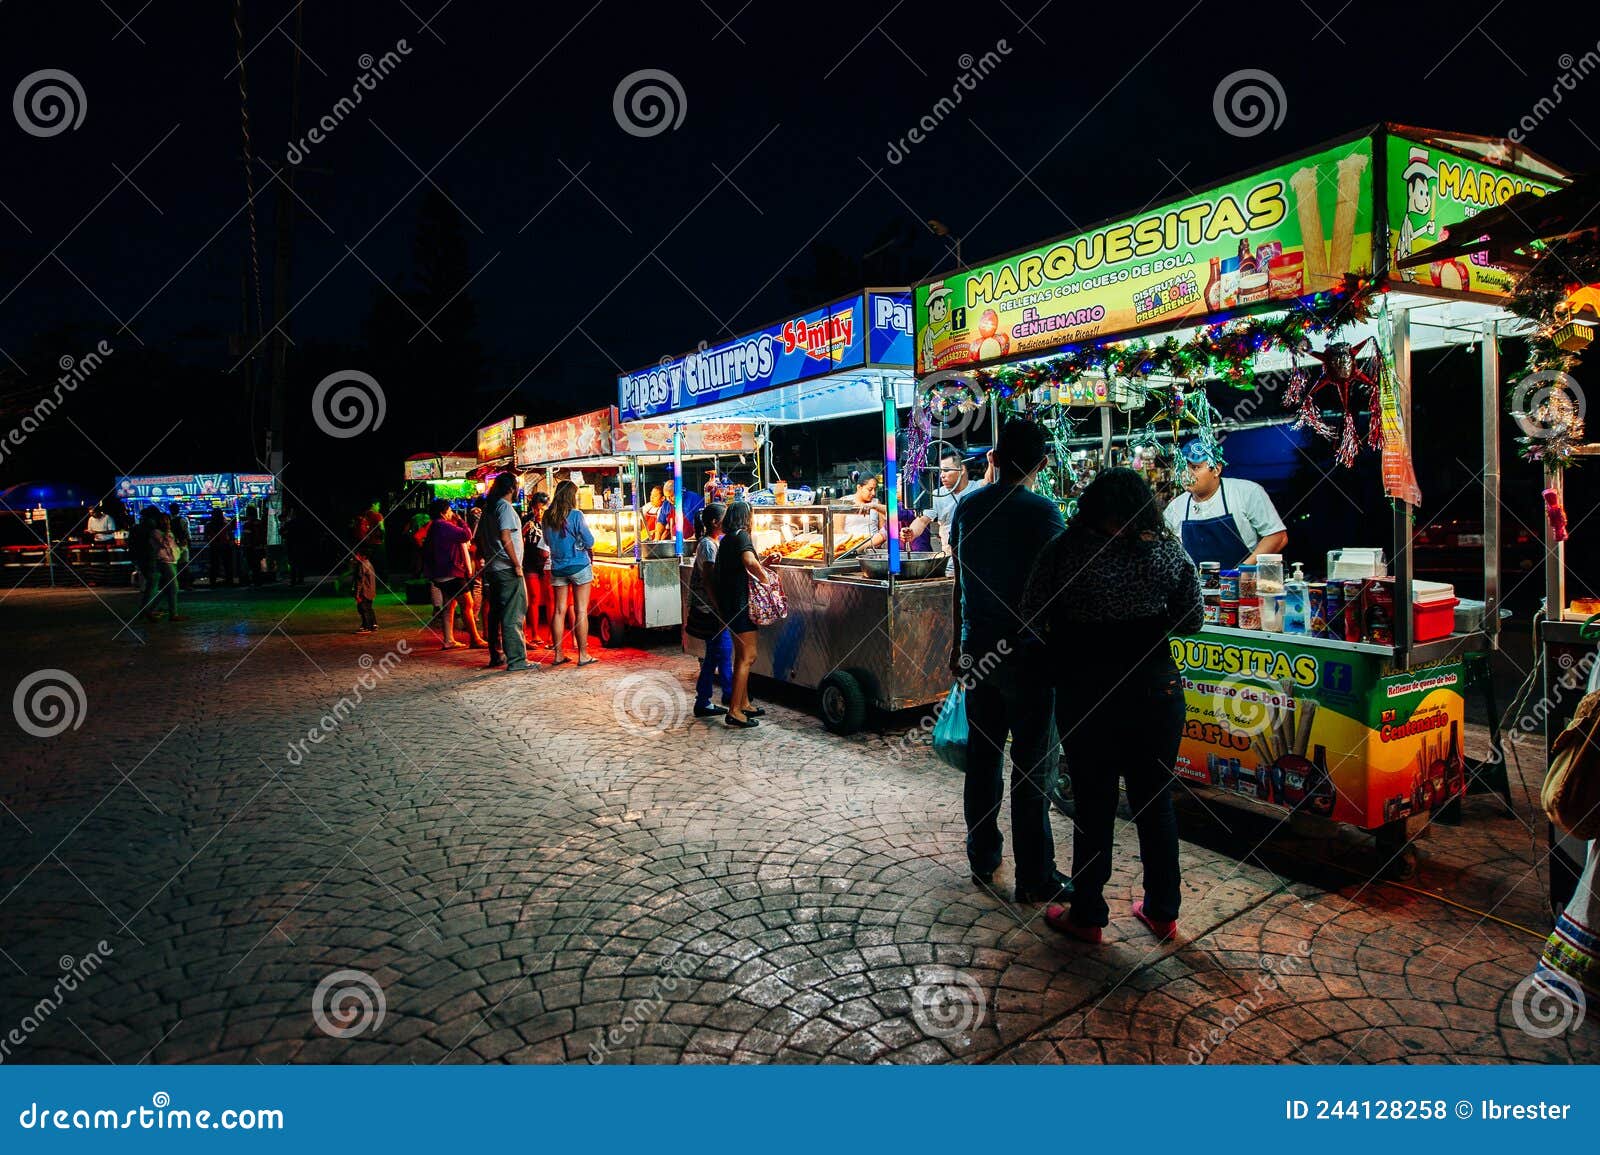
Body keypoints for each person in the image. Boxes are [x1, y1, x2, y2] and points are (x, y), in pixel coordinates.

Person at [1022, 468, 1203, 944]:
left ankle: (1088, 914)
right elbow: (1191, 621)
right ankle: (1163, 911)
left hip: (1089, 691)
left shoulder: (1066, 550)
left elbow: (1032, 612)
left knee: (1095, 803)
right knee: (1154, 801)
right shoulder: (1165, 550)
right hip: (1154, 690)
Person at [947, 418, 1069, 905]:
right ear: (1041, 463)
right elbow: (1063, 587)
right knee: (1033, 765)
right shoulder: (1043, 513)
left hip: (979, 651)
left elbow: (959, 585)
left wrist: (956, 647)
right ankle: (1035, 874)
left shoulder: (968, 508)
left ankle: (983, 855)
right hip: (1030, 657)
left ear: (993, 459)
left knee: (983, 760)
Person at [1163, 440, 1288, 568]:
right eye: (1183, 468)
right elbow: (1165, 550)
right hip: (1198, 586)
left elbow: (1277, 536)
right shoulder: (1174, 508)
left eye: (1195, 467)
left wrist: (1244, 569)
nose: (1186, 475)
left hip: (1244, 583)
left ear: (1216, 469)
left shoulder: (1247, 492)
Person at [715, 500, 776, 730]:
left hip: (730, 605)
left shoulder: (728, 539)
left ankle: (744, 703)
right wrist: (766, 579)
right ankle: (735, 711)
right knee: (748, 656)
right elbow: (749, 561)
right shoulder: (741, 536)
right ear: (744, 517)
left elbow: (743, 564)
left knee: (741, 655)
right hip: (741, 605)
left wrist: (765, 563)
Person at [476, 474, 534, 672]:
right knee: (513, 614)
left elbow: (481, 539)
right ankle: (517, 660)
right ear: (511, 488)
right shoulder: (505, 507)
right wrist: (516, 564)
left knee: (496, 614)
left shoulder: (489, 509)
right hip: (507, 569)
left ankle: (496, 654)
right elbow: (505, 535)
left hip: (493, 569)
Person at [685, 502, 732, 718]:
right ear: (715, 522)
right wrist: (718, 608)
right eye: (725, 518)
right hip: (707, 609)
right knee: (717, 652)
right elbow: (709, 579)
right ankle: (705, 700)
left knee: (721, 653)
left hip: (710, 607)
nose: (728, 522)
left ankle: (727, 695)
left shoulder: (713, 543)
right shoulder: (708, 545)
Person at [543, 480, 597, 667]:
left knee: (559, 610)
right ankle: (583, 654)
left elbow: (547, 541)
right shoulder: (576, 515)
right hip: (579, 566)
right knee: (581, 610)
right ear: (571, 496)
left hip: (557, 567)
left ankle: (558, 654)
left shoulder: (547, 516)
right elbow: (590, 541)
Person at [903, 448, 994, 553]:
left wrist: (991, 463)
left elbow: (989, 481)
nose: (942, 475)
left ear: (962, 469)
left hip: (978, 558)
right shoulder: (938, 495)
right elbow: (922, 521)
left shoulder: (976, 488)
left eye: (946, 470)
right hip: (950, 561)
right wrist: (911, 532)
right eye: (941, 471)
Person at [421, 500, 475, 649]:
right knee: (467, 603)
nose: (452, 513)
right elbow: (466, 535)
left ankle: (448, 640)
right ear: (443, 513)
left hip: (440, 572)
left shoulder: (435, 527)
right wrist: (461, 521)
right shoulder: (443, 525)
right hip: (450, 572)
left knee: (449, 605)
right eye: (450, 510)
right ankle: (475, 638)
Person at [523, 491, 555, 649]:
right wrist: (525, 529)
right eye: (536, 509)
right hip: (530, 562)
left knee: (551, 598)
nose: (539, 512)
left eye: (542, 508)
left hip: (548, 563)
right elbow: (518, 540)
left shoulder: (550, 522)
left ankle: (552, 635)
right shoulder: (526, 520)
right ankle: (534, 633)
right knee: (534, 598)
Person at [457, 507, 488, 649]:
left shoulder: (474, 522)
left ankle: (474, 618)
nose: (477, 515)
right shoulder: (479, 523)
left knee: (477, 586)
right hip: (476, 558)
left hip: (475, 558)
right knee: (478, 587)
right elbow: (470, 538)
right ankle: (474, 619)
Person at [842, 473, 888, 550]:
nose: (873, 493)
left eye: (875, 489)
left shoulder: (876, 503)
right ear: (859, 487)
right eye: (870, 489)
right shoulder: (844, 501)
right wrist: (851, 546)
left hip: (874, 548)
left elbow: (883, 529)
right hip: (850, 548)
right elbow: (838, 530)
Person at [354, 500, 387, 578]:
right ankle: (386, 584)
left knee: (366, 563)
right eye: (378, 505)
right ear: (373, 505)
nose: (379, 507)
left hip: (365, 542)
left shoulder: (364, 514)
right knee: (382, 564)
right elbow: (382, 528)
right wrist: (383, 538)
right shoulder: (378, 515)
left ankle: (365, 582)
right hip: (377, 542)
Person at [204, 508, 235, 586]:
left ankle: (213, 582)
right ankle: (229, 581)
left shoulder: (209, 524)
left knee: (214, 565)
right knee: (227, 564)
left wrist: (210, 541)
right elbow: (231, 536)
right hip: (225, 546)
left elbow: (206, 537)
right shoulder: (226, 524)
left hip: (214, 546)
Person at [351, 546, 378, 632]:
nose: (355, 556)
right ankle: (373, 624)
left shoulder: (362, 565)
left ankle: (367, 626)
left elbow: (359, 581)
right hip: (370, 591)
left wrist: (357, 594)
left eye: (357, 555)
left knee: (363, 609)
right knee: (369, 608)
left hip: (364, 591)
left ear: (363, 556)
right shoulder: (368, 563)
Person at [167, 503, 194, 589]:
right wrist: (189, 543)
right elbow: (187, 532)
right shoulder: (182, 519)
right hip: (182, 544)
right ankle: (186, 584)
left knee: (174, 566)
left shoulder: (167, 520)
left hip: (171, 545)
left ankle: (176, 584)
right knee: (184, 564)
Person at [241, 505, 267, 585]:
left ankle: (253, 581)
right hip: (259, 547)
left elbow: (246, 537)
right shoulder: (260, 523)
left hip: (250, 547)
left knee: (251, 564)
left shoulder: (248, 524)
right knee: (257, 565)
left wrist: (244, 544)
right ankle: (258, 581)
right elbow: (263, 535)